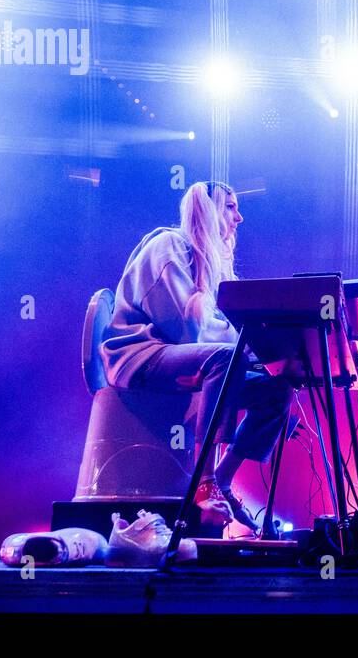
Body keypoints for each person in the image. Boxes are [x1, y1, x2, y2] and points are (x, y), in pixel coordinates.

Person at [101, 181, 294, 535]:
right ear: (209, 210)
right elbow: (185, 330)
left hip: (185, 355)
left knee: (278, 388)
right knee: (223, 360)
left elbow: (224, 331)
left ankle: (223, 479)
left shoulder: (213, 261)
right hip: (141, 354)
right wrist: (243, 348)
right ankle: (204, 481)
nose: (240, 217)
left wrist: (268, 354)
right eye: (231, 207)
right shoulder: (168, 246)